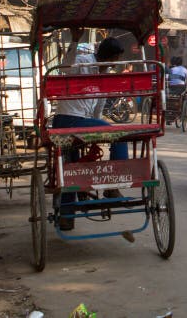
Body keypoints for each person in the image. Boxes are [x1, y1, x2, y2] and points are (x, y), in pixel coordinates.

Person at [53, 36, 126, 230]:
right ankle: (113, 186)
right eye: (115, 59)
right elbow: (64, 69)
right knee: (119, 135)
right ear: (108, 57)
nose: (115, 64)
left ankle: (67, 215)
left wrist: (98, 128)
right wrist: (74, 39)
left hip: (83, 122)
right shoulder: (84, 62)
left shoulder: (106, 73)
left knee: (72, 166)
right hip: (67, 119)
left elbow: (98, 107)